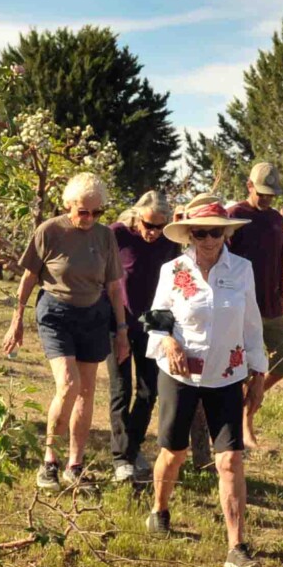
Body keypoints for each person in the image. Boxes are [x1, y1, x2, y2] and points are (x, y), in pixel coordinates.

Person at [143, 202, 268, 567]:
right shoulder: (173, 271)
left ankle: (237, 547)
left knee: (229, 460)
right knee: (174, 451)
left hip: (227, 375)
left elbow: (252, 323)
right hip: (180, 374)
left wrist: (258, 372)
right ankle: (160, 509)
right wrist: (168, 343)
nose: (210, 239)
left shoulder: (242, 269)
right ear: (189, 234)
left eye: (217, 231)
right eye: (201, 232)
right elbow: (157, 318)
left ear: (226, 233)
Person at [3, 173, 130, 489]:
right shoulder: (50, 231)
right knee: (68, 384)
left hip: (94, 314)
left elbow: (115, 287)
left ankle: (75, 464)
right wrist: (16, 318)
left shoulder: (104, 237)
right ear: (68, 205)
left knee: (87, 391)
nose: (89, 218)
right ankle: (49, 461)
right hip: (56, 312)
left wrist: (123, 330)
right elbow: (29, 278)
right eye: (83, 211)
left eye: (97, 212)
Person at [107, 191, 173, 483]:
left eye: (160, 226)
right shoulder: (117, 235)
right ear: (137, 217)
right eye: (149, 225)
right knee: (120, 389)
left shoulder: (169, 244)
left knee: (149, 392)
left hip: (153, 325)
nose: (153, 232)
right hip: (118, 322)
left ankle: (132, 448)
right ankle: (121, 458)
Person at [226, 162, 283, 449]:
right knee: (246, 367)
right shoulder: (235, 215)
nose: (266, 199)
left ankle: (247, 406)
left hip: (272, 303)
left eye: (271, 195)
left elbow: (278, 260)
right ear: (249, 186)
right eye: (262, 193)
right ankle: (245, 426)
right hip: (242, 303)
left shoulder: (277, 219)